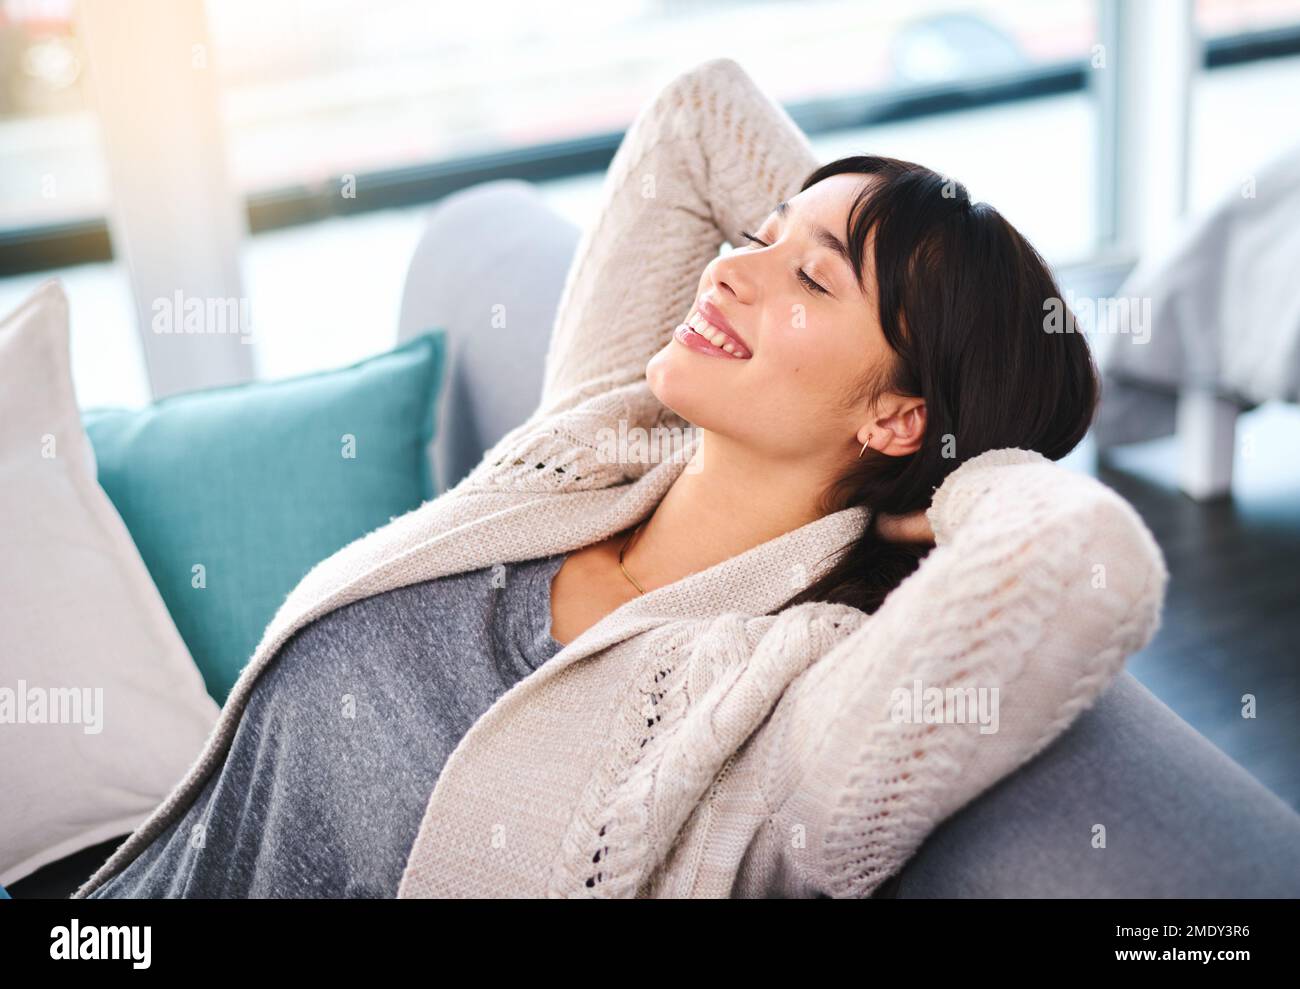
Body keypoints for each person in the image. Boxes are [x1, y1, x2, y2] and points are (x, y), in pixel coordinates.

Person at [77, 57, 1165, 900]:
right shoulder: (597, 443)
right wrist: (892, 234)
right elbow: (698, 115)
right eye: (756, 235)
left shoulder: (791, 701)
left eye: (807, 276)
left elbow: (1092, 561)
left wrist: (957, 470)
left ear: (897, 414)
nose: (729, 269)